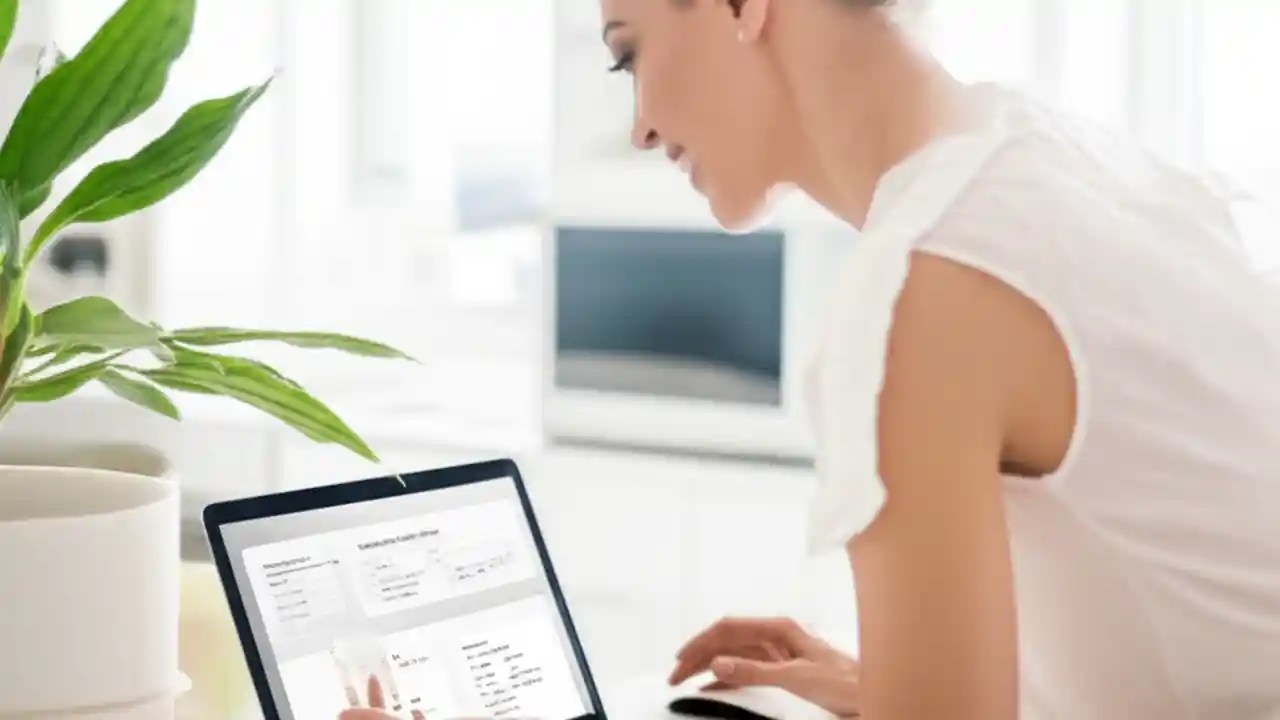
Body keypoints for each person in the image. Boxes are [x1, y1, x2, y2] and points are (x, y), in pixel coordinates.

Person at [346, 0, 1280, 718]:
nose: (636, 125)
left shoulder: (922, 289)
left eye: (630, 54)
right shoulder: (1055, 159)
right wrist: (899, 682)